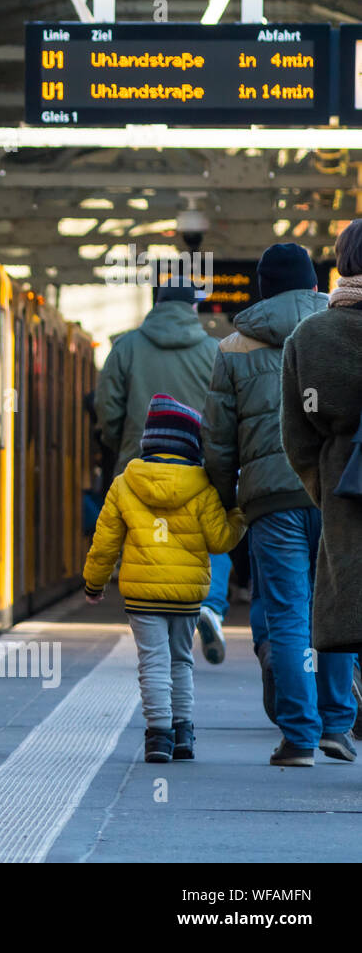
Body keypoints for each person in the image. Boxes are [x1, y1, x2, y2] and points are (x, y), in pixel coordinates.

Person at [203, 243, 355, 762]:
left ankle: (300, 737)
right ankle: (338, 726)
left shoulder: (233, 349)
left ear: (261, 290)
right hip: (333, 491)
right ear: (314, 285)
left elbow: (219, 439)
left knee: (289, 613)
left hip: (271, 500)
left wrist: (226, 499)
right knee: (333, 607)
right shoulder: (333, 331)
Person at [83, 394, 245, 763]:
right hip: (188, 596)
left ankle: (159, 737)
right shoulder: (203, 487)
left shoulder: (125, 484)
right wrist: (238, 513)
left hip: (142, 596)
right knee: (180, 661)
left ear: (148, 442)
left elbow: (104, 543)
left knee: (152, 663)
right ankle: (185, 731)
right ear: (192, 445)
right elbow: (221, 540)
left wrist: (94, 584)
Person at [96, 277, 229, 664]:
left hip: (138, 465)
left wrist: (121, 444)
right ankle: (210, 605)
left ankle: (154, 622)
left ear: (156, 304)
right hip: (199, 466)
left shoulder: (125, 348)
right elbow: (223, 412)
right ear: (193, 309)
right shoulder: (213, 350)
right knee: (209, 537)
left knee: (145, 542)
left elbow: (108, 408)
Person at [280, 219, 362, 763]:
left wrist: (327, 491)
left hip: (343, 490)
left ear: (341, 263)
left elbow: (296, 437)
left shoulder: (310, 337)